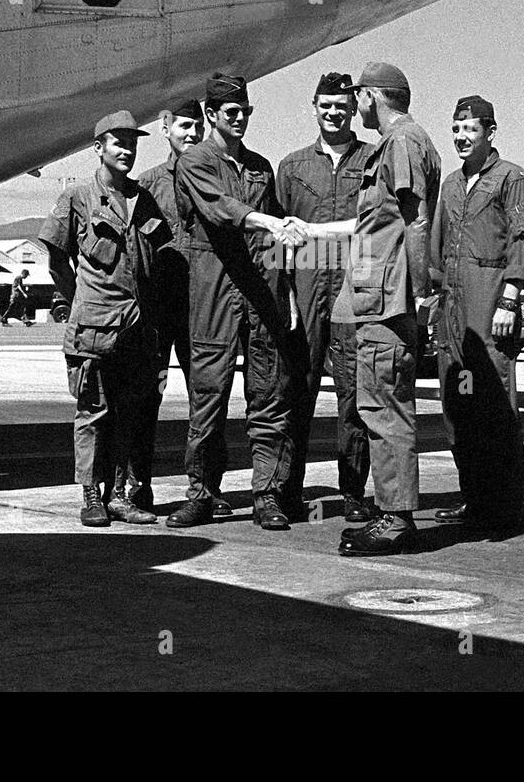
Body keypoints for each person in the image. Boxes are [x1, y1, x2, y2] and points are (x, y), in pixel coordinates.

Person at [290, 61, 440, 555]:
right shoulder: (404, 143)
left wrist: (419, 294)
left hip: (389, 301)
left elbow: (416, 224)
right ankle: (391, 509)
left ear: (373, 98)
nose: (354, 106)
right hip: (378, 297)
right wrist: (309, 231)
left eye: (357, 97)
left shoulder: (400, 143)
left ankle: (396, 520)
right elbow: (372, 225)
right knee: (379, 406)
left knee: (384, 410)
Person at [167, 73, 303, 531]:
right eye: (231, 112)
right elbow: (219, 207)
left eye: (245, 111)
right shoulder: (196, 161)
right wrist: (265, 220)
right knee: (208, 396)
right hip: (214, 287)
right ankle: (202, 494)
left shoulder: (262, 167)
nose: (240, 118)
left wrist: (289, 293)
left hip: (261, 290)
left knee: (268, 394)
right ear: (211, 115)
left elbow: (282, 232)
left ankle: (268, 494)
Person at [39, 110, 169, 527]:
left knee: (128, 412)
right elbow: (57, 259)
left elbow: (159, 257)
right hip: (93, 324)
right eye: (118, 142)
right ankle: (91, 495)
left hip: (135, 326)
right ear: (99, 148)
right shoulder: (77, 197)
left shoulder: (143, 197)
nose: (127, 149)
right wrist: (80, 299)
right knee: (92, 411)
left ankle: (119, 495)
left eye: (132, 143)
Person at [431, 96, 524, 527]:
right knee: (457, 404)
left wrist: (510, 298)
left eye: (470, 130)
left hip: (490, 305)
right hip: (453, 312)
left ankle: (505, 505)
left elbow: (523, 238)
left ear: (489, 133)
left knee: (495, 406)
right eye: (456, 130)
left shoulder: (512, 180)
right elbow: (437, 247)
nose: (461, 138)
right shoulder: (452, 186)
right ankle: (474, 497)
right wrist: (431, 297)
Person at [275, 72, 373, 522]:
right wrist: (286, 297)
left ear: (353, 108)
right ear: (313, 108)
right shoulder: (293, 167)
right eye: (325, 105)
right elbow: (279, 239)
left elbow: (380, 227)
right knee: (298, 390)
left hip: (355, 285)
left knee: (354, 395)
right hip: (307, 285)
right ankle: (287, 490)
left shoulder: (373, 160)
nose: (333, 112)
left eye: (341, 105)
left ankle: (353, 492)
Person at [134, 99, 232, 514]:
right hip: (159, 311)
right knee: (145, 399)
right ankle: (137, 487)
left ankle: (207, 489)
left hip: (204, 308)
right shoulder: (147, 183)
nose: (191, 134)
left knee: (207, 398)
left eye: (196, 127)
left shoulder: (218, 176)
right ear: (165, 127)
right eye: (183, 127)